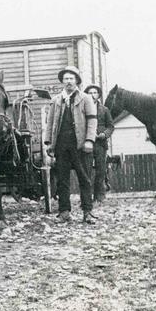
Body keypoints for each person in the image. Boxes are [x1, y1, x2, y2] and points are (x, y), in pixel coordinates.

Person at [43, 66, 98, 224]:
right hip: (61, 145)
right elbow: (51, 122)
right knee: (62, 179)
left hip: (80, 145)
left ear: (77, 81)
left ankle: (87, 212)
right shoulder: (56, 100)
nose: (68, 81)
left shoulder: (86, 98)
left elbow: (92, 121)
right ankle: (64, 212)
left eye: (71, 78)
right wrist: (49, 143)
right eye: (66, 79)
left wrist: (89, 140)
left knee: (85, 178)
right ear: (62, 81)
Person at [84, 84, 115, 204]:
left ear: (98, 95)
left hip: (100, 144)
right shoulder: (83, 109)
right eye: (90, 93)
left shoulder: (104, 110)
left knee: (101, 170)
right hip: (87, 143)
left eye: (95, 93)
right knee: (86, 170)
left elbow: (111, 126)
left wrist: (105, 134)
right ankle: (87, 198)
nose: (92, 95)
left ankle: (99, 196)